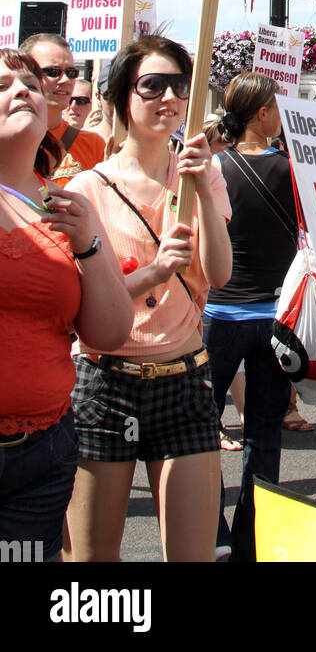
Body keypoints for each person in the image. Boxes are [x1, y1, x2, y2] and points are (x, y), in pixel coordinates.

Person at [65, 34, 232, 562]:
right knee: (90, 563)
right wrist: (155, 272)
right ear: (121, 98)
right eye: (152, 85)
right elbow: (79, 304)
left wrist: (203, 186)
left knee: (193, 554)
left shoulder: (204, 174)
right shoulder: (89, 189)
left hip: (183, 379)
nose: (168, 98)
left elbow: (219, 274)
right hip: (103, 381)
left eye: (179, 86)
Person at [0, 49, 132, 561]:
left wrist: (88, 246)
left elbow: (109, 333)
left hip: (43, 455)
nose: (23, 91)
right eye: (3, 84)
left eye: (30, 83)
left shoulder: (68, 208)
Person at [202, 72, 300, 562]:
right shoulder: (291, 169)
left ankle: (213, 529)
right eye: (277, 108)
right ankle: (252, 536)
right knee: (264, 430)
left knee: (201, 427)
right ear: (262, 114)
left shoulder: (213, 168)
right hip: (274, 315)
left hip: (218, 314)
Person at [20, 35, 106, 185]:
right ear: (25, 75)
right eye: (53, 72)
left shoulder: (94, 144)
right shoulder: (8, 142)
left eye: (71, 73)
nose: (65, 80)